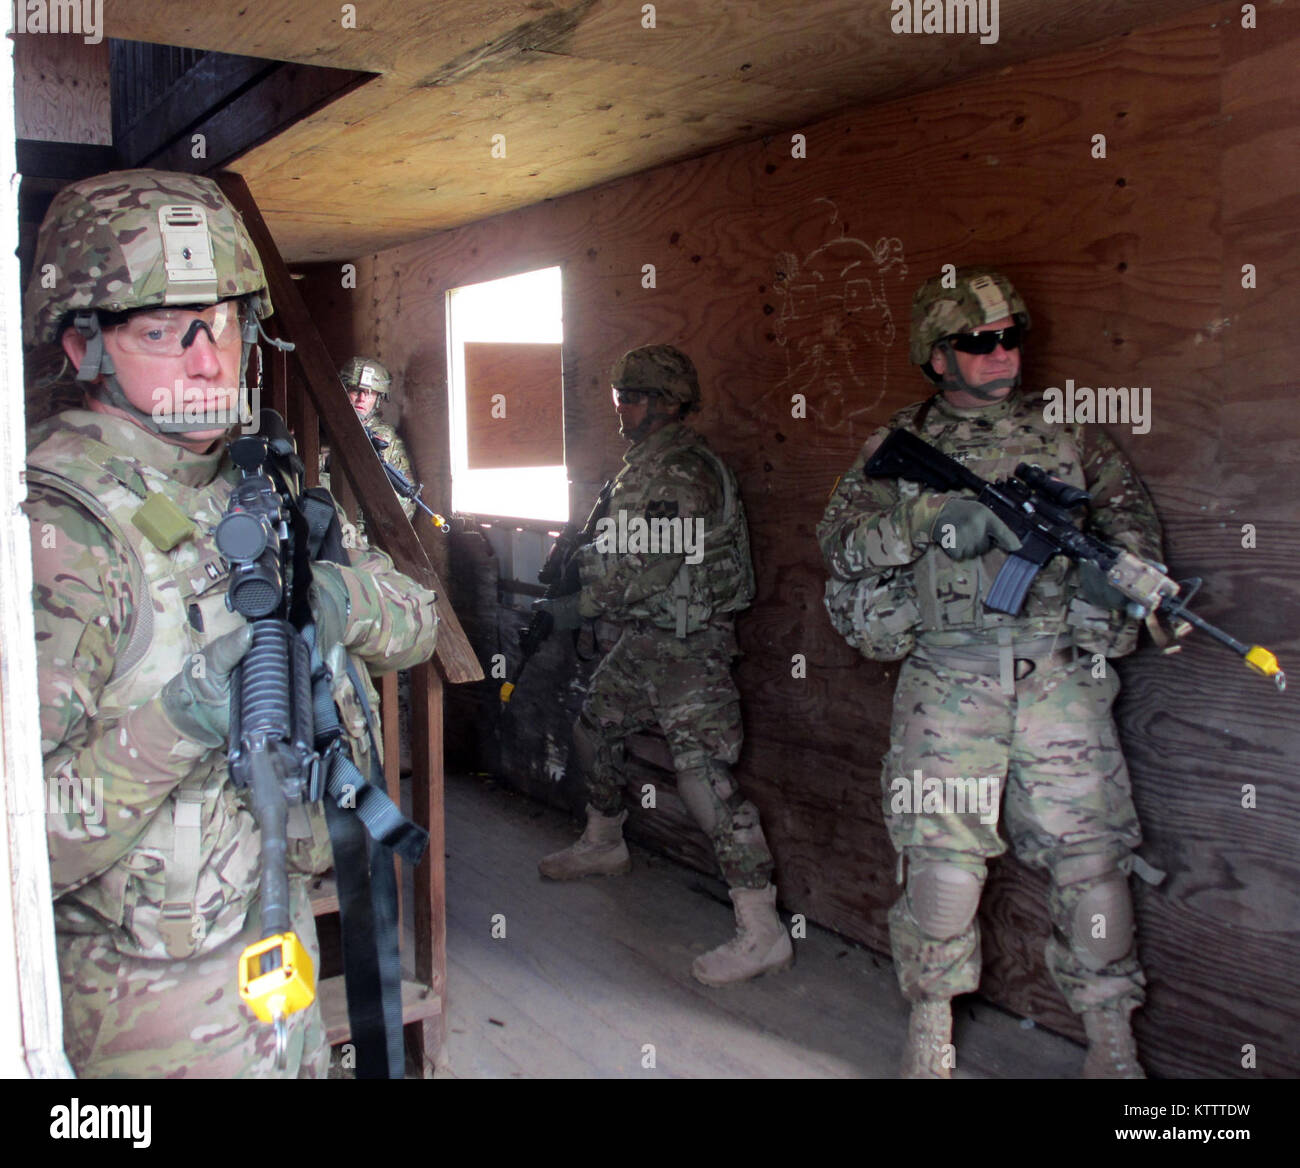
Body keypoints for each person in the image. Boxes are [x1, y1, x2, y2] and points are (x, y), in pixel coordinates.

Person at [23, 169, 439, 1077]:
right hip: (145, 1018)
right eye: (164, 332)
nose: (210, 360)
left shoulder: (257, 479)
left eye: (225, 322)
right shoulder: (58, 535)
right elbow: (21, 850)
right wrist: (179, 720)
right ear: (84, 349)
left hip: (275, 961)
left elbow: (417, 625)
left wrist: (333, 601)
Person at [818, 268, 1163, 1078]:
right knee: (941, 865)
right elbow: (838, 546)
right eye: (979, 342)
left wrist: (1114, 574)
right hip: (949, 680)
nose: (1001, 353)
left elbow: (1133, 532)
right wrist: (929, 521)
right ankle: (930, 1028)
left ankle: (1112, 1040)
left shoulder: (1072, 438)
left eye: (1011, 337)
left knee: (1093, 864)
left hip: (1060, 680)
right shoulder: (897, 449)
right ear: (935, 357)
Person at [534, 344, 792, 986]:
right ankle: (604, 840)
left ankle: (761, 928)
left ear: (660, 402)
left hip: (691, 644)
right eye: (620, 395)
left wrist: (575, 605)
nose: (620, 407)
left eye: (628, 396)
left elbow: (642, 571)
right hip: (649, 639)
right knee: (594, 727)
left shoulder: (681, 472)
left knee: (704, 777)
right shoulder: (644, 466)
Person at [319, 356, 416, 549]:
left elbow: (405, 504)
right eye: (356, 391)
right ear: (343, 391)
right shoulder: (318, 430)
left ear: (378, 399)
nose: (362, 399)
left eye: (370, 393)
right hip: (324, 530)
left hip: (365, 537)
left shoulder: (388, 442)